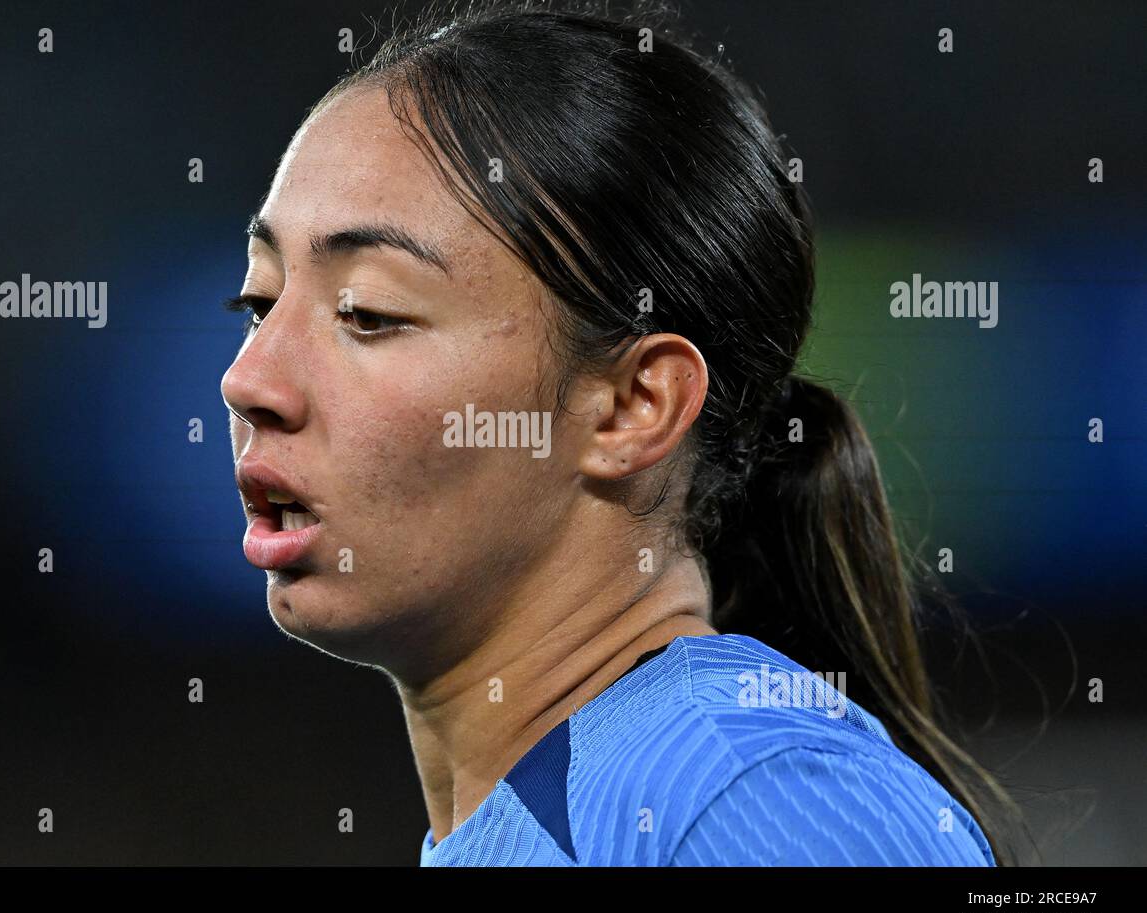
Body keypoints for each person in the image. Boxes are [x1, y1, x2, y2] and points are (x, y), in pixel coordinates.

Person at [219, 0, 1017, 865]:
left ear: (633, 406)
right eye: (259, 303)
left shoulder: (751, 799)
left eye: (367, 312)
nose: (249, 379)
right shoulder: (609, 808)